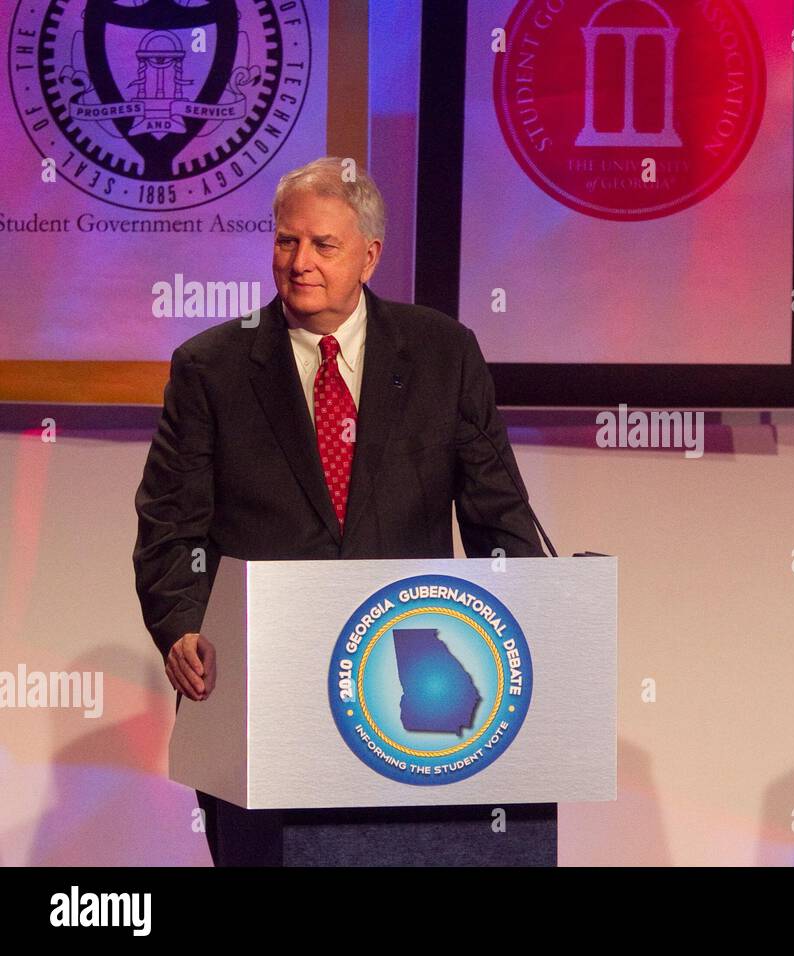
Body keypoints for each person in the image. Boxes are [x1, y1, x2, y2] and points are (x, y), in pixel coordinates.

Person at [132, 157, 545, 866]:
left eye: (323, 245)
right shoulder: (211, 367)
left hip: (414, 695)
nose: (299, 263)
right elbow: (169, 528)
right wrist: (181, 628)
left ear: (370, 256)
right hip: (260, 693)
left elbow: (497, 513)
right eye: (286, 242)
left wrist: (535, 624)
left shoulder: (443, 353)